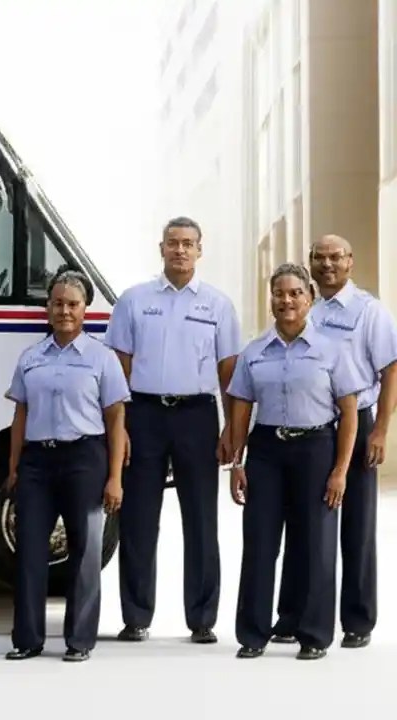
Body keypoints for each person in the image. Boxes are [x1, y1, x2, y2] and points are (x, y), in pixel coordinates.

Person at [103, 216, 240, 644]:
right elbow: (118, 371)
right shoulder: (134, 300)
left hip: (197, 417)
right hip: (144, 415)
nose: (180, 250)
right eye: (172, 242)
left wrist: (230, 431)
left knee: (201, 519)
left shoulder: (218, 305)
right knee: (138, 519)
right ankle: (135, 616)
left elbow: (229, 373)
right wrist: (120, 429)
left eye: (188, 243)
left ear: (200, 250)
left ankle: (202, 619)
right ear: (160, 248)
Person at [226, 263, 365, 660]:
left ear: (310, 298)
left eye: (295, 293)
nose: (286, 301)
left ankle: (314, 634)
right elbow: (241, 410)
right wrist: (237, 463)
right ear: (270, 298)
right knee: (260, 541)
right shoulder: (254, 352)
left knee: (316, 544)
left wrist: (340, 471)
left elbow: (349, 413)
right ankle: (253, 634)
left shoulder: (332, 350)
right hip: (266, 451)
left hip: (316, 449)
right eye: (279, 293)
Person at [269, 235, 397, 649]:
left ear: (350, 261)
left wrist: (380, 430)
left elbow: (391, 370)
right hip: (314, 427)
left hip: (357, 422)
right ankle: (293, 616)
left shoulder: (368, 311)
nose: (327, 264)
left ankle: (357, 621)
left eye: (335, 257)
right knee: (304, 524)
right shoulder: (308, 306)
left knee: (356, 526)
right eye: (319, 257)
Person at [3, 270, 129, 663]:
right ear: (47, 307)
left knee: (85, 550)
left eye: (72, 304)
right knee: (28, 550)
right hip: (37, 462)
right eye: (57, 303)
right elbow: (20, 416)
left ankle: (79, 640)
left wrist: (115, 477)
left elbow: (115, 419)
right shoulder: (31, 358)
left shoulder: (102, 358)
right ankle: (27, 639)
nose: (64, 311)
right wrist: (14, 468)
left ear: (85, 309)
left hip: (84, 459)